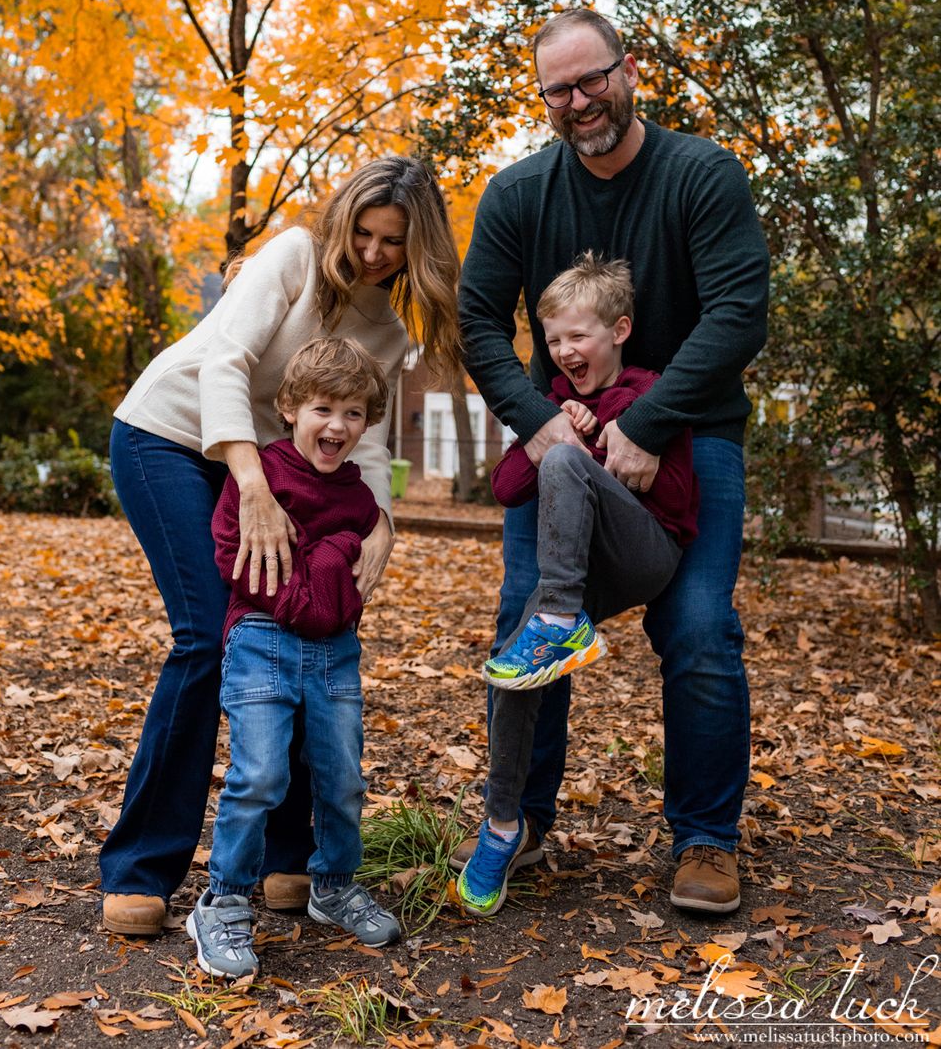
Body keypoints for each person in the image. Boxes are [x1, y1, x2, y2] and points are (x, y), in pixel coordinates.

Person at [458, 7, 769, 914]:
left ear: (628, 71)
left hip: (692, 438)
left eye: (593, 77)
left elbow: (737, 314)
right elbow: (479, 321)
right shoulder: (519, 195)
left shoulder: (699, 175)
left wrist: (649, 424)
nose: (579, 99)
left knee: (702, 629)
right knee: (528, 628)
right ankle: (519, 824)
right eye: (559, 87)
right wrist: (537, 421)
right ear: (546, 97)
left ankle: (706, 840)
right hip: (564, 441)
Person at [102, 156, 461, 936]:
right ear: (342, 223)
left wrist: (382, 521)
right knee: (208, 638)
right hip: (170, 437)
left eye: (391, 242)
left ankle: (289, 859)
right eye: (362, 233)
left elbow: (361, 442)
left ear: (414, 247)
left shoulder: (389, 332)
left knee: (315, 629)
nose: (371, 253)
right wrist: (253, 484)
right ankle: (142, 869)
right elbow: (226, 360)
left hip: (272, 471)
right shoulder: (295, 255)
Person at [456, 254, 696, 917]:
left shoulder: (648, 395)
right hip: (580, 576)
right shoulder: (561, 408)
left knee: (564, 461)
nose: (564, 351)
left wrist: (586, 447)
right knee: (509, 669)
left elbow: (674, 497)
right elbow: (508, 490)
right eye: (553, 340)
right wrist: (547, 425)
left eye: (577, 336)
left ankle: (558, 624)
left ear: (619, 330)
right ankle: (503, 824)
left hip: (646, 551)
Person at [187, 338, 402, 980]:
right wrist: (319, 570)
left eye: (354, 413)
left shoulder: (361, 498)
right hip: (261, 640)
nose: (337, 426)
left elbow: (358, 568)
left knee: (341, 780)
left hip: (336, 652)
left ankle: (332, 885)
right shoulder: (261, 477)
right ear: (288, 407)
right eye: (322, 408)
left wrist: (335, 553)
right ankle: (222, 902)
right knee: (257, 778)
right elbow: (234, 555)